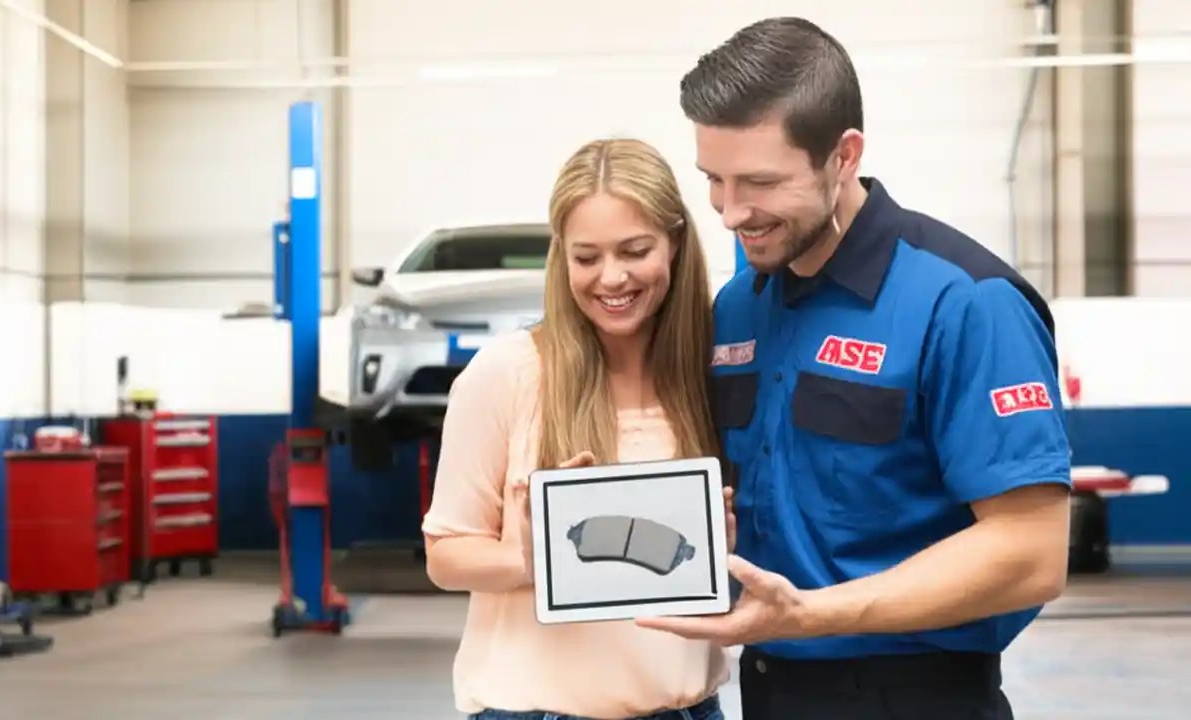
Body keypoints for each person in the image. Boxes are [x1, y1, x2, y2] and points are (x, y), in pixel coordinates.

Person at [636, 16, 1073, 720]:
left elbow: (1031, 552)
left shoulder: (964, 302)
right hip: (769, 689)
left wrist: (810, 614)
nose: (730, 212)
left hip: (915, 698)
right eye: (713, 179)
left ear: (843, 156)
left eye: (760, 182)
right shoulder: (741, 307)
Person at [422, 137, 733, 720]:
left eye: (635, 250)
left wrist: (721, 552)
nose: (611, 278)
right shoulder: (509, 373)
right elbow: (444, 555)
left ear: (676, 244)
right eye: (586, 257)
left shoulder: (707, 376)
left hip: (692, 709)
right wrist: (530, 559)